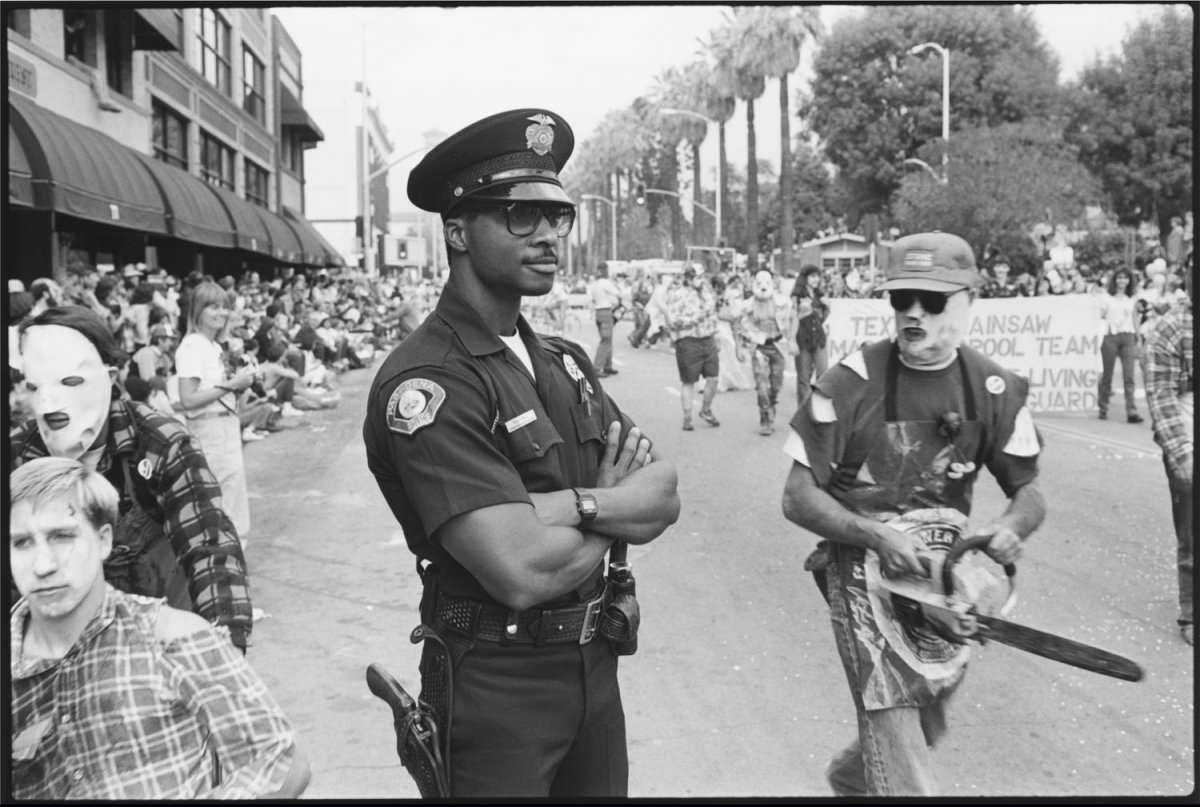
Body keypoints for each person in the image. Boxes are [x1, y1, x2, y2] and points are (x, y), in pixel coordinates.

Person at [363, 108, 680, 798]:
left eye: (556, 217)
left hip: (593, 665)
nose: (547, 235)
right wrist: (608, 508)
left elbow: (663, 491)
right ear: (456, 230)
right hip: (494, 685)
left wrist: (574, 503)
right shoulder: (431, 383)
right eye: (517, 215)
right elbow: (521, 570)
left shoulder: (561, 360)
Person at [780, 232, 1045, 796]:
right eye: (903, 300)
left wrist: (1009, 528)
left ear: (970, 300)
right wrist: (874, 535)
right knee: (894, 709)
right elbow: (797, 496)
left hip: (942, 578)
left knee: (926, 707)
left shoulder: (994, 387)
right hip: (858, 575)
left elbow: (1030, 494)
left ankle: (855, 777)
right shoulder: (847, 384)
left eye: (932, 300)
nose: (915, 313)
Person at [9, 456, 309, 799]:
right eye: (21, 542)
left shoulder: (171, 639)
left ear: (104, 540)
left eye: (62, 536)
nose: (43, 564)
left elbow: (285, 762)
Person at [11, 306, 253, 651]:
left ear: (110, 377)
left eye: (71, 382)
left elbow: (210, 548)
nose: (49, 404)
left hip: (161, 643)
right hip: (59, 646)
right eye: (35, 387)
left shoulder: (161, 444)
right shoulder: (18, 454)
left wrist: (224, 651)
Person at [175, 281, 258, 542]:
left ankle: (233, 548)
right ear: (198, 310)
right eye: (214, 307)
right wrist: (232, 384)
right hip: (210, 429)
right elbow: (187, 399)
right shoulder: (192, 345)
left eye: (224, 308)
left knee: (233, 492)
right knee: (220, 493)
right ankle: (223, 551)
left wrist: (240, 383)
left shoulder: (214, 346)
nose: (221, 313)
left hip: (226, 425)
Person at [1144, 292, 1193, 646]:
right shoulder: (1172, 328)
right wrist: (1184, 454)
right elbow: (1161, 394)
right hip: (1187, 435)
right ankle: (1192, 612)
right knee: (1192, 532)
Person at [665, 264, 721, 430]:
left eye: (702, 276)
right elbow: (672, 320)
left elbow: (713, 315)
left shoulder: (707, 293)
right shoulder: (678, 295)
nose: (701, 280)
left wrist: (717, 336)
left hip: (708, 339)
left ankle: (706, 409)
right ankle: (687, 417)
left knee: (713, 378)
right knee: (689, 381)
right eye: (697, 277)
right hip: (688, 341)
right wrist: (695, 318)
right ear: (689, 278)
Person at [740, 270, 795, 435]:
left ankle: (771, 404)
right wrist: (741, 346)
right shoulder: (748, 305)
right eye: (759, 282)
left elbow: (793, 319)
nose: (763, 285)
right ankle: (765, 419)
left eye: (766, 281)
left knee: (776, 384)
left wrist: (792, 340)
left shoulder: (783, 302)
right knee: (762, 384)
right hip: (759, 348)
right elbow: (741, 326)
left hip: (778, 346)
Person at [1097, 267, 1143, 423]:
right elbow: (1100, 315)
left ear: (1129, 280)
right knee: (1107, 375)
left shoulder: (1132, 298)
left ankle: (1131, 410)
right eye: (1119, 278)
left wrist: (1139, 337)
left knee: (1129, 375)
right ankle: (1103, 407)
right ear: (1115, 280)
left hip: (1128, 336)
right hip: (1111, 336)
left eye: (1125, 278)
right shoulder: (1106, 297)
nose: (1122, 281)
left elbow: (1135, 317)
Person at [791, 264, 829, 407]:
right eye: (813, 276)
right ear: (805, 278)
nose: (816, 279)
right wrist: (802, 313)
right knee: (803, 378)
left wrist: (827, 309)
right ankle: (804, 412)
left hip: (818, 337)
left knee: (824, 373)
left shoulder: (820, 295)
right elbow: (792, 318)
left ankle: (818, 407)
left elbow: (821, 320)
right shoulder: (797, 296)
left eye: (818, 276)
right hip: (802, 338)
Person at [590, 262, 621, 377]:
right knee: (606, 341)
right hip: (606, 312)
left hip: (598, 312)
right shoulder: (605, 283)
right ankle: (597, 368)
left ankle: (608, 366)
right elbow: (618, 294)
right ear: (606, 271)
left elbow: (593, 300)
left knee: (608, 340)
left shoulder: (595, 284)